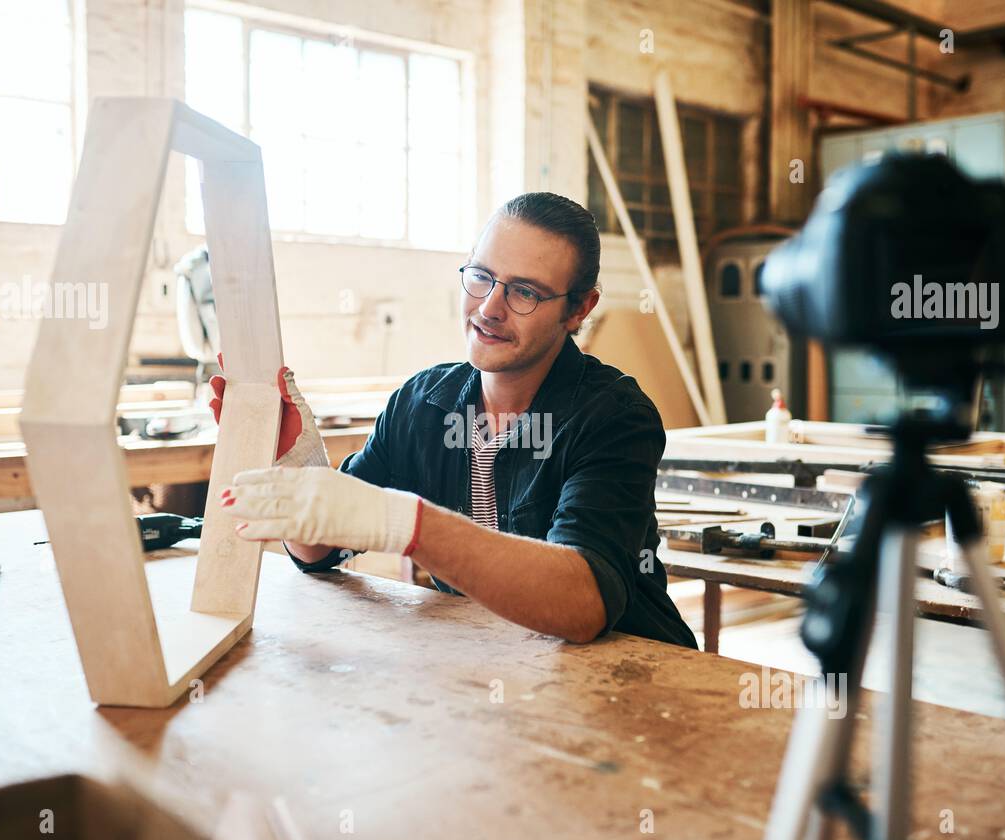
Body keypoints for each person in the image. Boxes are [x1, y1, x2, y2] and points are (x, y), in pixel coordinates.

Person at [212, 192, 696, 649]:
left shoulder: (614, 416)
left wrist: (406, 525)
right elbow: (321, 555)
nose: (488, 308)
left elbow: (583, 605)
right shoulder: (422, 404)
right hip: (501, 669)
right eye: (481, 276)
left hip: (633, 678)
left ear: (578, 310)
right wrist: (296, 462)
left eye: (524, 292)